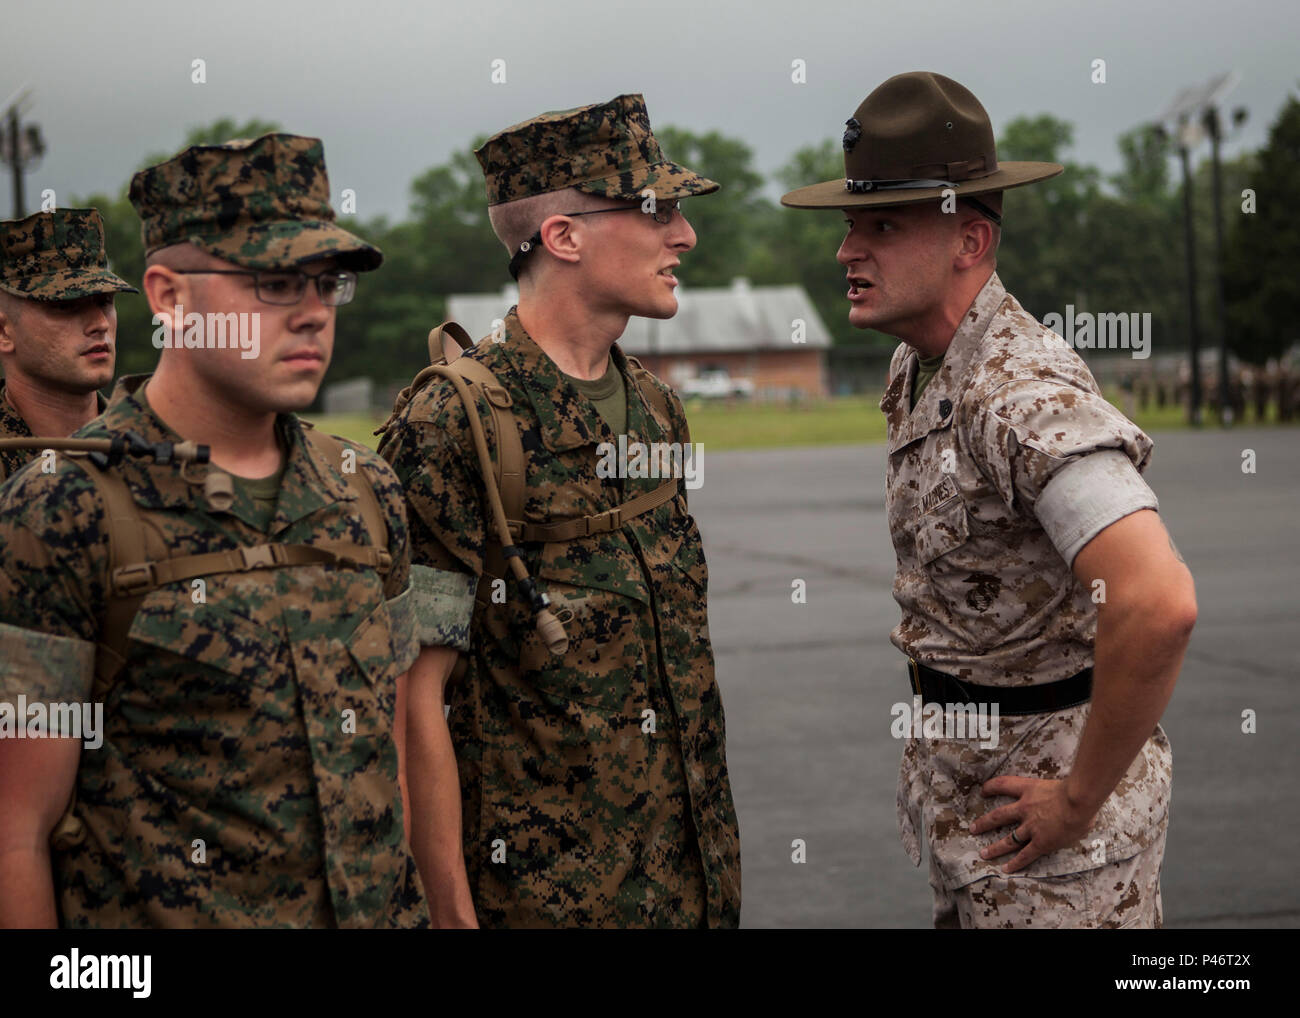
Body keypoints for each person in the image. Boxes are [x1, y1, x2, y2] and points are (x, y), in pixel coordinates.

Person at [782, 71, 1197, 928]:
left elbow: (1157, 602)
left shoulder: (1021, 393)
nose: (846, 251)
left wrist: (1078, 800)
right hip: (973, 815)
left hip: (1056, 860)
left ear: (970, 241)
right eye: (852, 224)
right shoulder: (921, 361)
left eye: (882, 226)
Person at [0, 133, 428, 928]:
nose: (311, 312)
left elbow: (390, 755)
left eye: (326, 282)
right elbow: (13, 834)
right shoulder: (61, 510)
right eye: (272, 281)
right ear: (167, 298)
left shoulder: (364, 490)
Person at [380, 93, 741, 928]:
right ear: (563, 236)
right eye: (655, 210)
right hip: (542, 899)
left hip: (695, 881)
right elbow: (413, 700)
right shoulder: (455, 424)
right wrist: (449, 914)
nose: (683, 235)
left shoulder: (655, 408)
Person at [0, 208, 135, 481]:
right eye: (65, 306)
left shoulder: (145, 452)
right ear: (3, 332)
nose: (100, 323)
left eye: (105, 302)